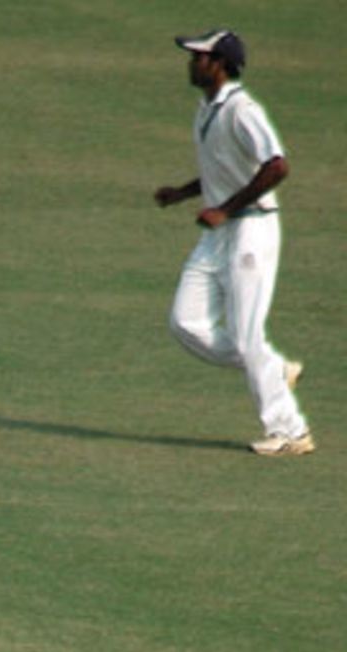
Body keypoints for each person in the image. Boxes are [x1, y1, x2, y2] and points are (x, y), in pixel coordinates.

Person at [154, 29, 312, 457]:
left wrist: (226, 209)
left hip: (252, 230)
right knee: (184, 323)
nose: (191, 63)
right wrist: (181, 194)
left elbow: (276, 167)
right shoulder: (206, 109)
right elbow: (222, 170)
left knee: (246, 334)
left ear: (220, 63)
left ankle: (290, 431)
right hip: (219, 234)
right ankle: (275, 369)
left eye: (199, 57)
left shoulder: (243, 110)